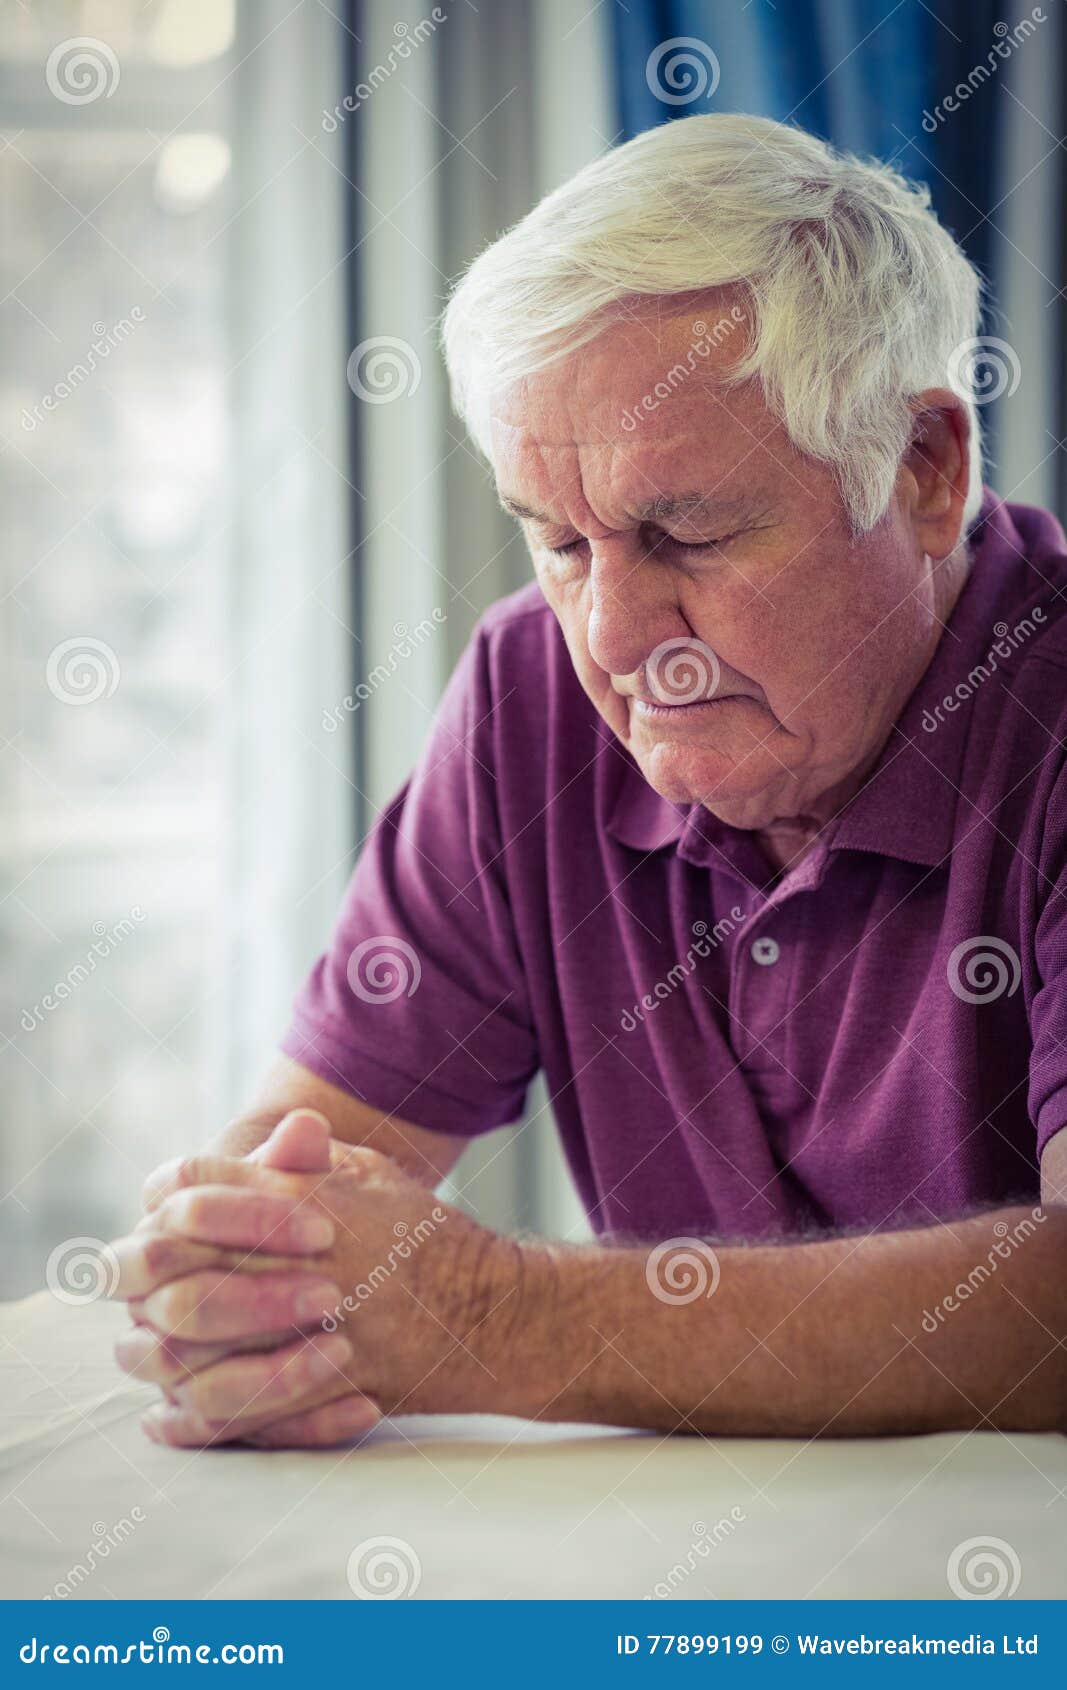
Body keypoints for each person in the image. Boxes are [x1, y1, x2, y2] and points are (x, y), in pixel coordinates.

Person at [111, 114, 1067, 1447]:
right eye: (557, 540)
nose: (613, 638)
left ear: (922, 469)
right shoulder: (530, 695)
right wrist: (247, 1281)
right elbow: (309, 1174)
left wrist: (506, 1317)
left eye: (686, 532)